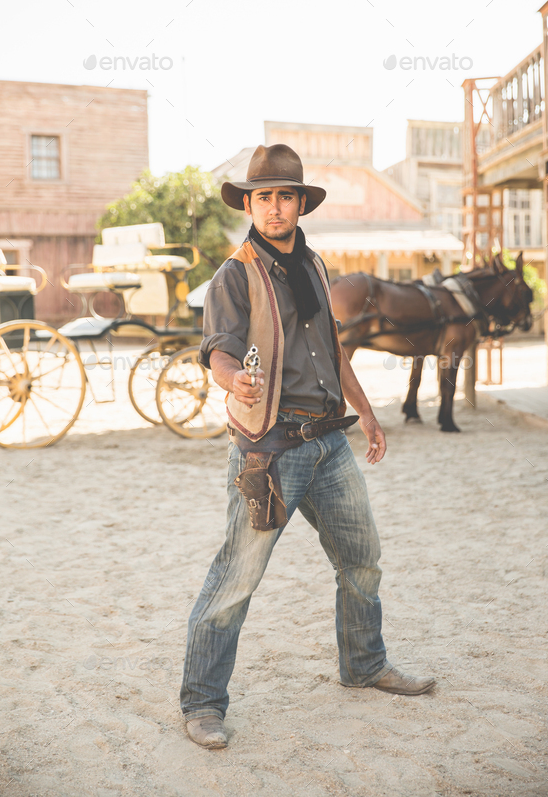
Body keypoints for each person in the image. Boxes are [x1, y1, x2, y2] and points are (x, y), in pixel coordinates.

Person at [180, 144, 435, 749]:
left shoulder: (317, 268)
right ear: (249, 203)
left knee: (362, 558)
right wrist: (231, 377)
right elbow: (218, 348)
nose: (274, 207)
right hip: (268, 450)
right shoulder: (233, 275)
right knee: (236, 578)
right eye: (263, 196)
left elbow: (333, 350)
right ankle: (202, 705)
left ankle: (364, 664)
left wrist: (367, 414)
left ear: (300, 204)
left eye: (285, 196)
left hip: (328, 443)